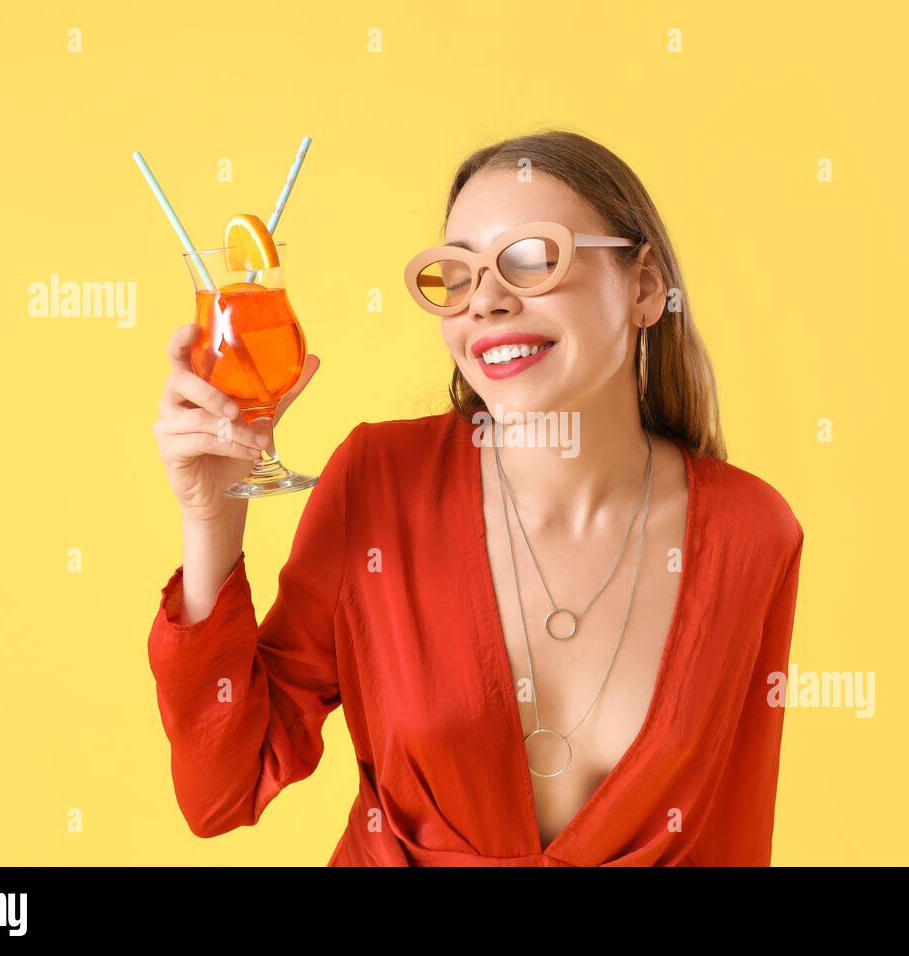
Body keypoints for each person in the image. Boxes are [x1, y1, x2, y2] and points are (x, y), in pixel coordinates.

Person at [147, 129, 805, 866]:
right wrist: (211, 516)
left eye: (531, 260)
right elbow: (221, 791)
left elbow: (732, 834)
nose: (484, 301)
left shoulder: (753, 532)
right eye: (455, 276)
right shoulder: (378, 482)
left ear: (647, 287)